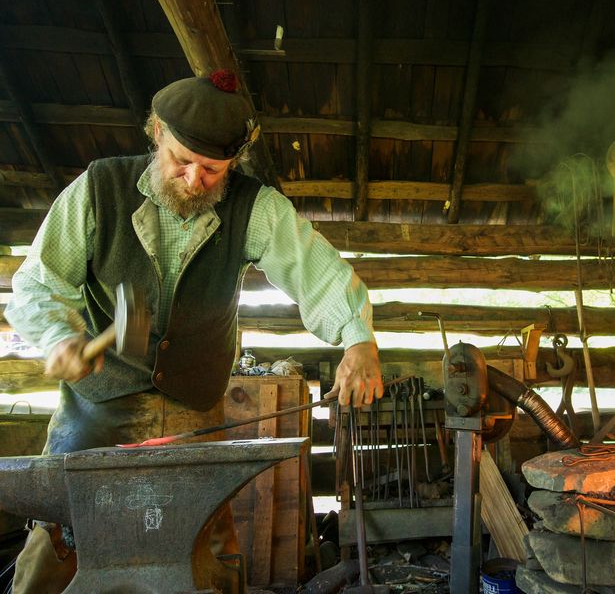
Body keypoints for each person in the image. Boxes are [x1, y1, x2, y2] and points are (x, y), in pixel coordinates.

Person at [3, 69, 383, 593]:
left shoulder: (254, 208)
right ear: (157, 131)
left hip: (193, 410)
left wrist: (357, 337)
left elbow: (317, 270)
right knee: (58, 546)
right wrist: (58, 336)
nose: (194, 180)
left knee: (207, 554)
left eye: (212, 170)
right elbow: (39, 284)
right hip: (99, 407)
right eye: (182, 161)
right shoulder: (99, 188)